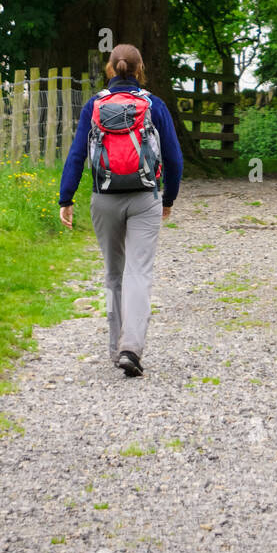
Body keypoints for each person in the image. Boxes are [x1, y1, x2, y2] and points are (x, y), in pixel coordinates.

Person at [58, 44, 183, 377]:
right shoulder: (154, 105)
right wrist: (168, 198)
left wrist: (65, 198)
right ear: (140, 69)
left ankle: (117, 350)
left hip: (105, 197)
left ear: (110, 69)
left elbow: (76, 155)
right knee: (139, 272)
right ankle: (132, 347)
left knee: (114, 275)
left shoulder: (94, 105)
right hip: (145, 198)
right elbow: (173, 158)